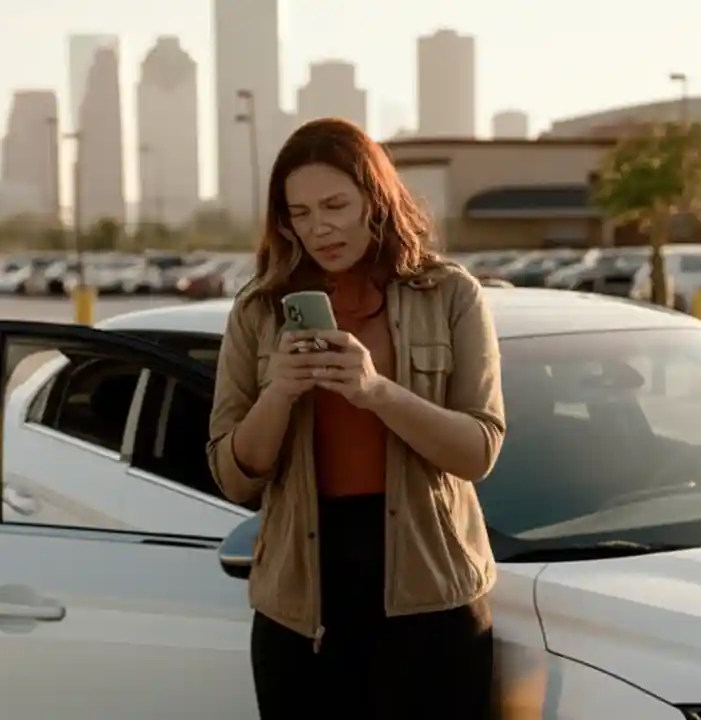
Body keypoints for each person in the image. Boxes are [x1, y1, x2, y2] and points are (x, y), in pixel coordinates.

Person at [207, 117, 507, 719]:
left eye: (335, 205)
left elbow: (479, 450)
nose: (320, 227)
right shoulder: (258, 311)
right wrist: (281, 392)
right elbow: (233, 475)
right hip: (303, 610)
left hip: (431, 600)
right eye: (301, 213)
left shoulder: (451, 295)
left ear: (375, 198)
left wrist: (376, 391)